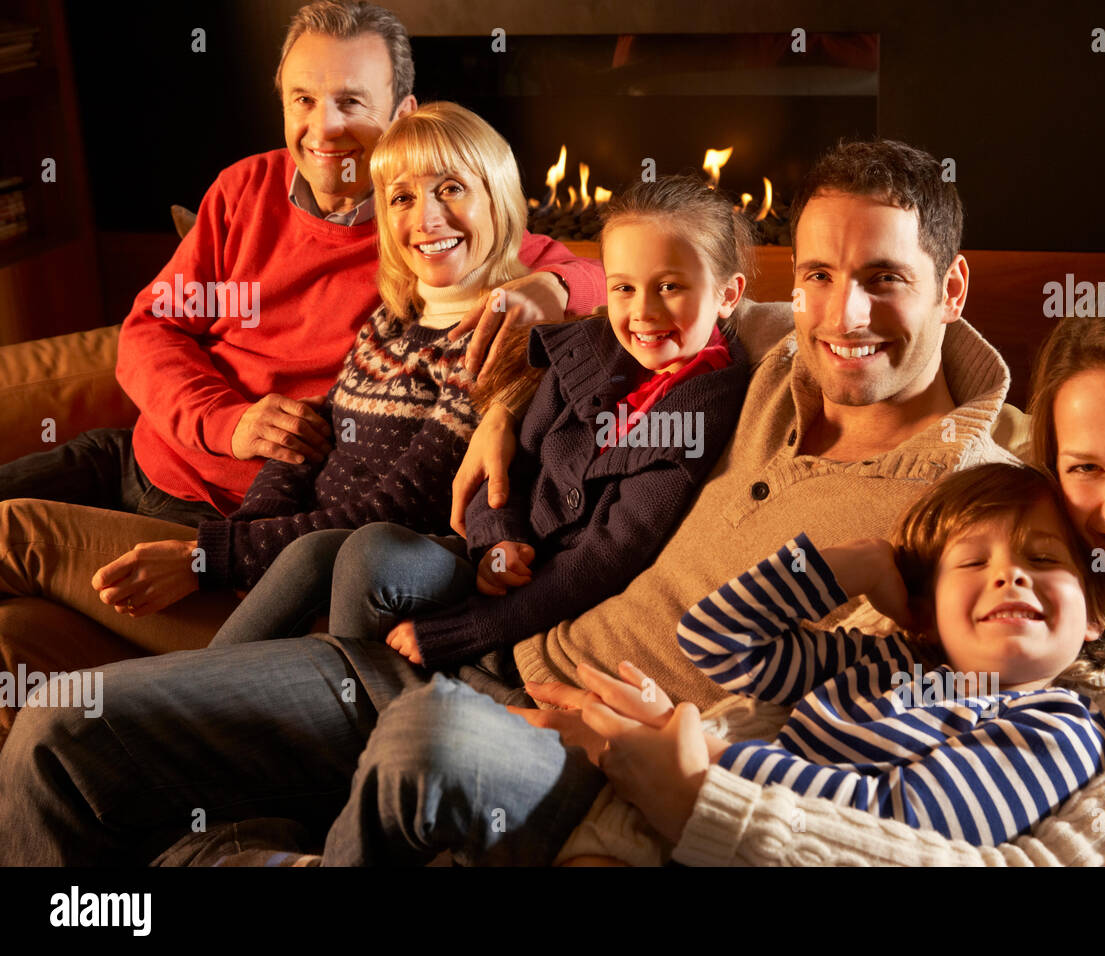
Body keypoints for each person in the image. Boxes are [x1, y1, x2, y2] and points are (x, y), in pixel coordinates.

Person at [0, 138, 1035, 866]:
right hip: (467, 650)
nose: (845, 313)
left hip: (577, 747)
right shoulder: (771, 352)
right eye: (818, 273)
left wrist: (667, 755)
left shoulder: (963, 505)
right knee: (61, 725)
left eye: (885, 280)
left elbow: (854, 719)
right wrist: (512, 387)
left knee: (430, 747)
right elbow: (631, 282)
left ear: (951, 289)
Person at [563, 283, 1105, 867]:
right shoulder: (1001, 560)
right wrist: (610, 842)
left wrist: (701, 803)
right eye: (1086, 468)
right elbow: (762, 713)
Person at [0, 1, 603, 706]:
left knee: (14, 536)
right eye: (304, 100)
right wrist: (226, 422)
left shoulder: (427, 231)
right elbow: (148, 332)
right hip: (136, 458)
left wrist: (555, 286)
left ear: (403, 110)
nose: (324, 128)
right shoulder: (243, 191)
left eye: (351, 101)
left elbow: (578, 277)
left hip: (232, 524)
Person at [208, 174, 751, 673]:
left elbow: (604, 561)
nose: (643, 313)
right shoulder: (586, 351)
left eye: (670, 287)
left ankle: (344, 719)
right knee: (321, 551)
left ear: (728, 295)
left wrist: (466, 631)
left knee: (370, 556)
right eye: (624, 288)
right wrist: (497, 541)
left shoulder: (698, 414)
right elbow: (501, 471)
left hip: (546, 599)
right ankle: (204, 687)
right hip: (494, 565)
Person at [677, 462, 1105, 845]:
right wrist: (857, 564)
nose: (1010, 575)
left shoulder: (1060, 727)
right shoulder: (879, 664)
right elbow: (717, 639)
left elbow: (897, 825)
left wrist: (701, 761)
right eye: (973, 562)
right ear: (926, 613)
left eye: (1044, 559)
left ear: (1094, 614)